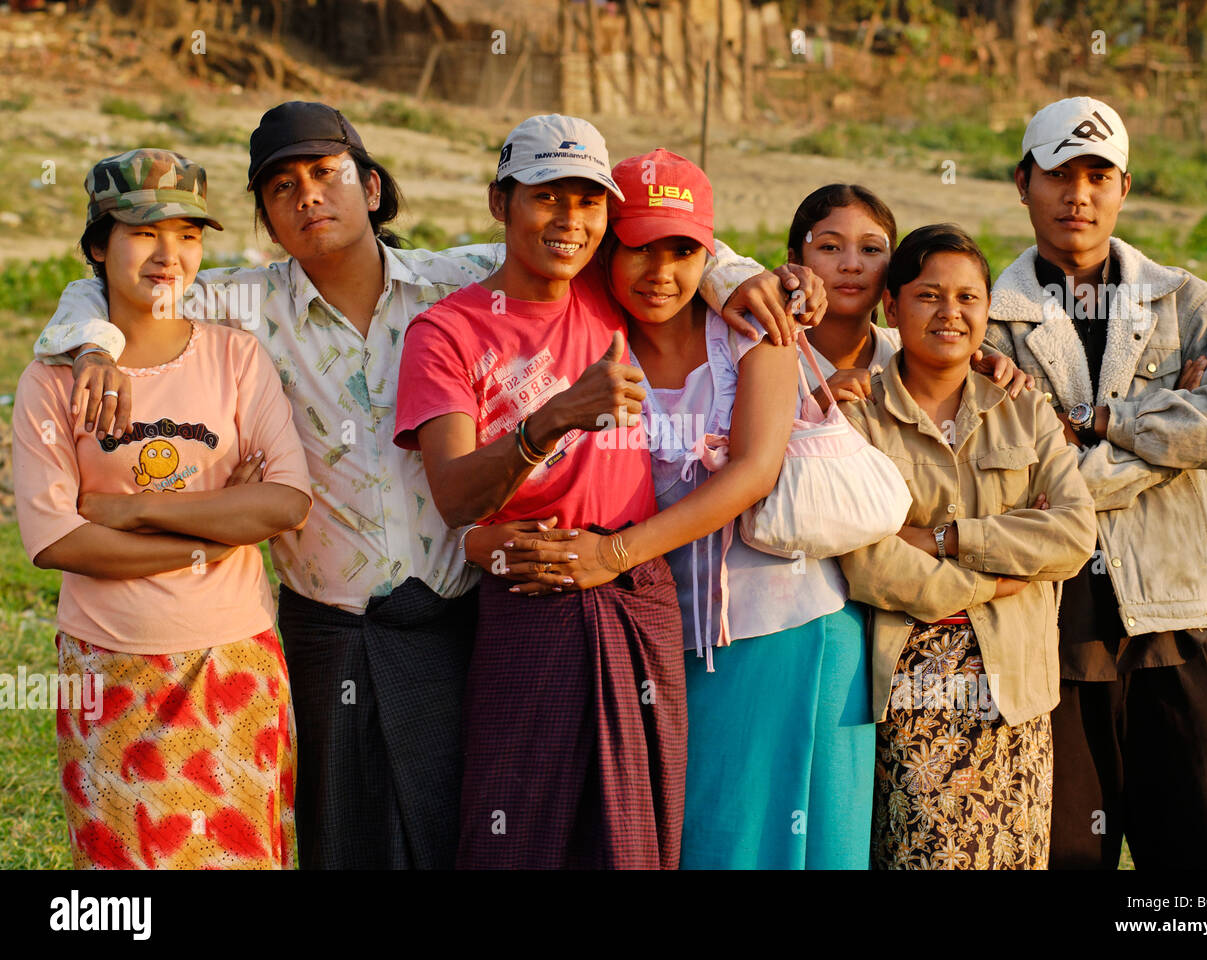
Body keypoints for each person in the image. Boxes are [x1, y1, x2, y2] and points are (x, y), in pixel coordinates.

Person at [33, 104, 803, 869]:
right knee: (347, 839)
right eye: (281, 187)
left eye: (326, 174)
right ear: (266, 219)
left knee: (469, 830)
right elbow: (126, 278)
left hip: (455, 614)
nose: (308, 197)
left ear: (370, 186)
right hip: (330, 622)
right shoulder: (243, 303)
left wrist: (735, 270)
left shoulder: (458, 279)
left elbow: (613, 240)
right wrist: (93, 339)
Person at [395, 117, 824, 869]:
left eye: (588, 204)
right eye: (546, 198)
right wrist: (551, 419)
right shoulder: (447, 330)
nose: (569, 223)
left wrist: (740, 272)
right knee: (517, 836)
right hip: (532, 598)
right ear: (501, 203)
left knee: (631, 841)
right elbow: (456, 495)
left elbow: (677, 250)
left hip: (637, 595)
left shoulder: (606, 294)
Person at [983, 96, 1207, 869]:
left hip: (1168, 618)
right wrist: (1169, 434)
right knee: (1067, 853)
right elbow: (1013, 486)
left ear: (1124, 188)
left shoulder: (1184, 301)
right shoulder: (989, 321)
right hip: (1054, 628)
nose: (1078, 194)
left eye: (1097, 176)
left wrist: (1102, 420)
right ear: (1022, 183)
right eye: (1058, 173)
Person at [12, 149, 313, 869]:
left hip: (231, 663)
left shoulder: (236, 359)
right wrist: (218, 528)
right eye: (144, 233)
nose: (168, 256)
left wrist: (134, 510)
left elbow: (287, 501)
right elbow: (59, 542)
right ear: (97, 245)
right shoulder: (53, 383)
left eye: (187, 235)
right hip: (108, 668)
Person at [609, 149, 878, 869]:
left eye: (684, 250)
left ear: (709, 252)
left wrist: (616, 553)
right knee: (706, 839)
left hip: (787, 623)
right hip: (669, 638)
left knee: (795, 845)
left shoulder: (753, 331)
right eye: (637, 247)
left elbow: (755, 471)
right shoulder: (591, 340)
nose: (659, 272)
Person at [836, 224, 1096, 870]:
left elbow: (1071, 534)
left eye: (968, 298)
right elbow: (868, 560)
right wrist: (999, 575)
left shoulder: (1024, 409)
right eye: (928, 296)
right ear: (892, 308)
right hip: (912, 697)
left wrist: (947, 538)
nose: (950, 313)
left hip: (1018, 696)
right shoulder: (858, 417)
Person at [785, 183, 1034, 405]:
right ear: (794, 259)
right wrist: (815, 408)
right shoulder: (772, 355)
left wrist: (987, 372)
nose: (852, 264)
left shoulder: (912, 351)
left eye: (870, 249)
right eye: (829, 247)